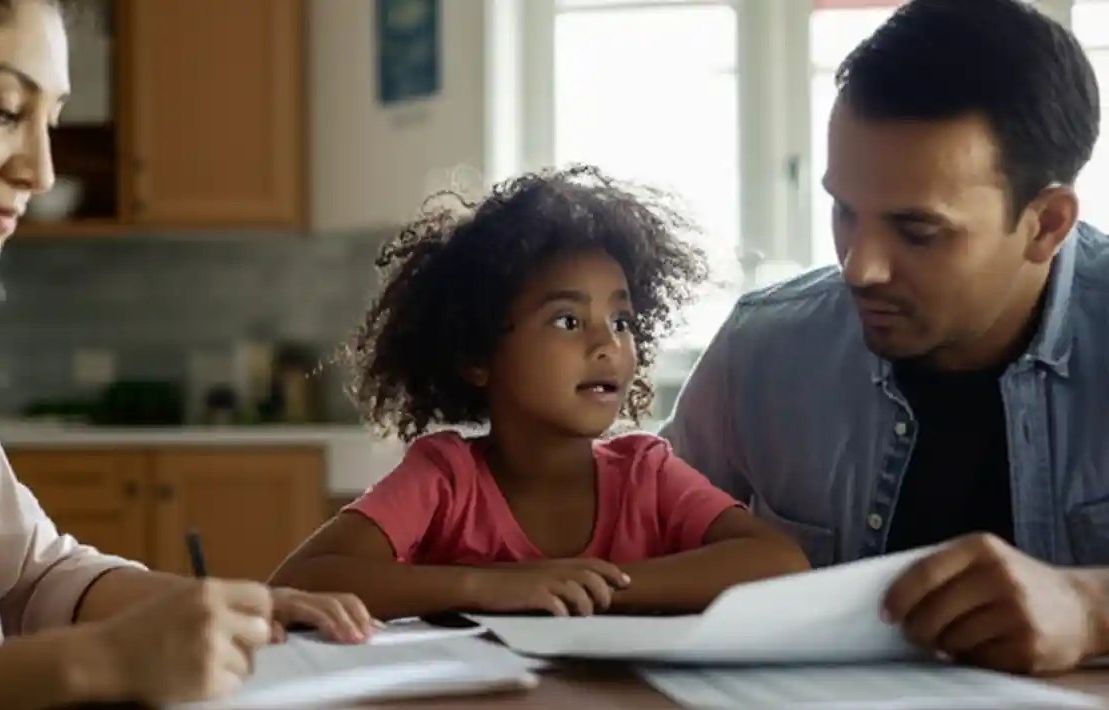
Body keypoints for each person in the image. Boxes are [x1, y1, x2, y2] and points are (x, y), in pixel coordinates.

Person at [0, 3, 374, 710]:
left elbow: (34, 575)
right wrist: (98, 663)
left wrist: (240, 613)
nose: (41, 171)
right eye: (0, 108)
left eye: (49, 122)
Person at [661, 0, 1108, 675]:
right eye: (844, 210)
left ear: (1046, 223)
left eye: (917, 230)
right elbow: (624, 533)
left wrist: (1090, 608)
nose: (859, 267)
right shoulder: (763, 351)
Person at [269, 166, 810, 620]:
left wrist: (589, 589)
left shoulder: (647, 472)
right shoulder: (446, 478)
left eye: (621, 320)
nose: (607, 343)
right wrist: (489, 588)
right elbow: (302, 580)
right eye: (568, 321)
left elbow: (778, 563)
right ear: (478, 357)